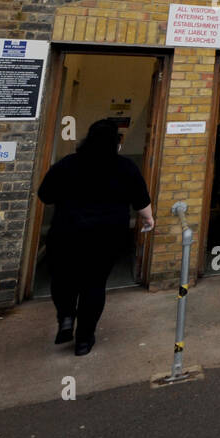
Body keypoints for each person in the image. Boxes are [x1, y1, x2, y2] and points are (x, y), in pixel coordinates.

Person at [37, 119, 154, 355]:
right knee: (94, 284)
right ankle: (84, 340)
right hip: (106, 236)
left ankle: (67, 316)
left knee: (63, 279)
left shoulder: (67, 165)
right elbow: (141, 200)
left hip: (67, 233)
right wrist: (149, 219)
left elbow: (45, 195)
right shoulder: (125, 167)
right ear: (116, 142)